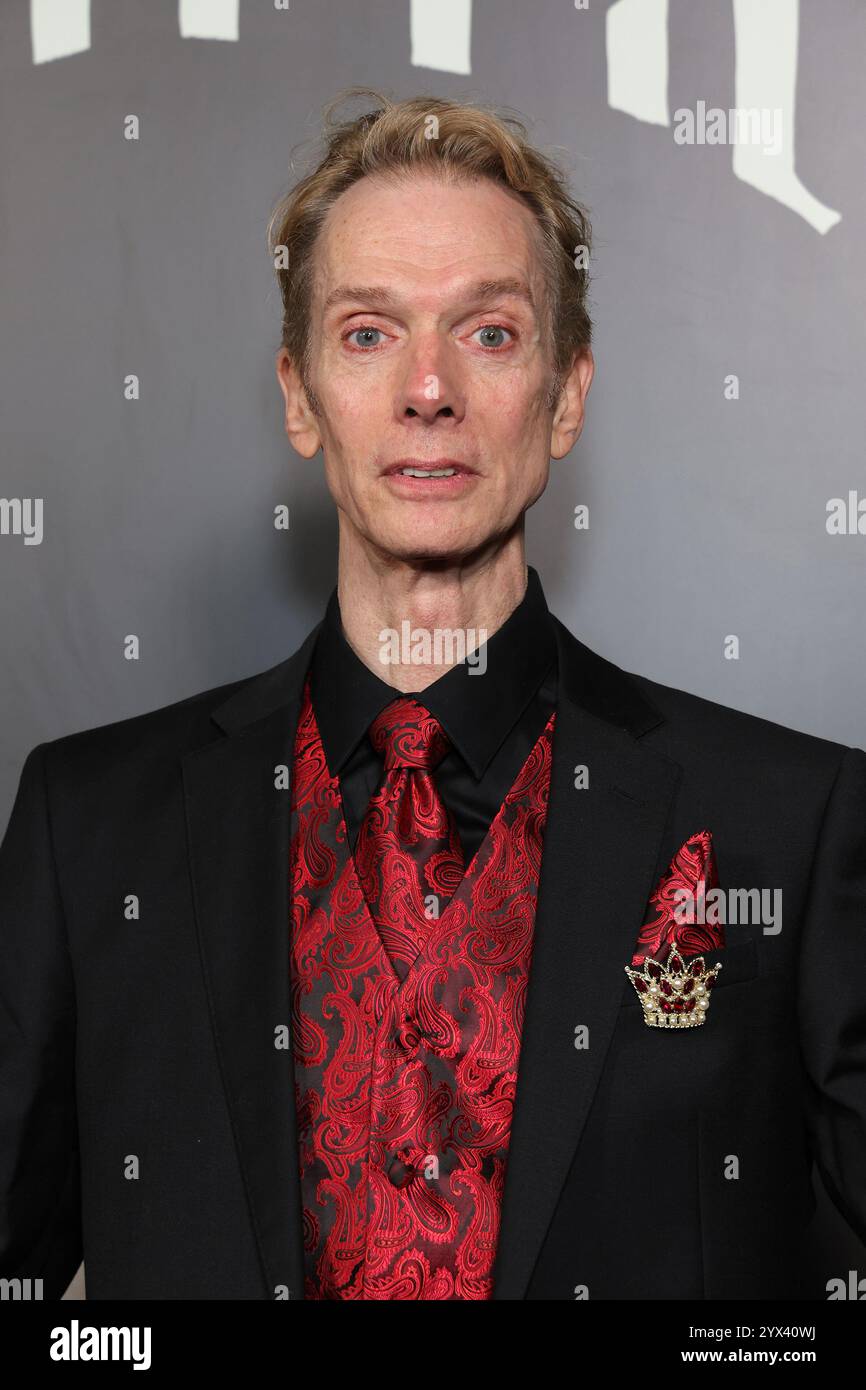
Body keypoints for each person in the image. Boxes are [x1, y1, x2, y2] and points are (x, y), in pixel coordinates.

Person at [1, 90, 864, 1302]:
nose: (427, 389)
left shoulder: (792, 817)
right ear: (299, 396)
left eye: (489, 333)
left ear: (564, 395)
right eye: (366, 333)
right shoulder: (87, 828)